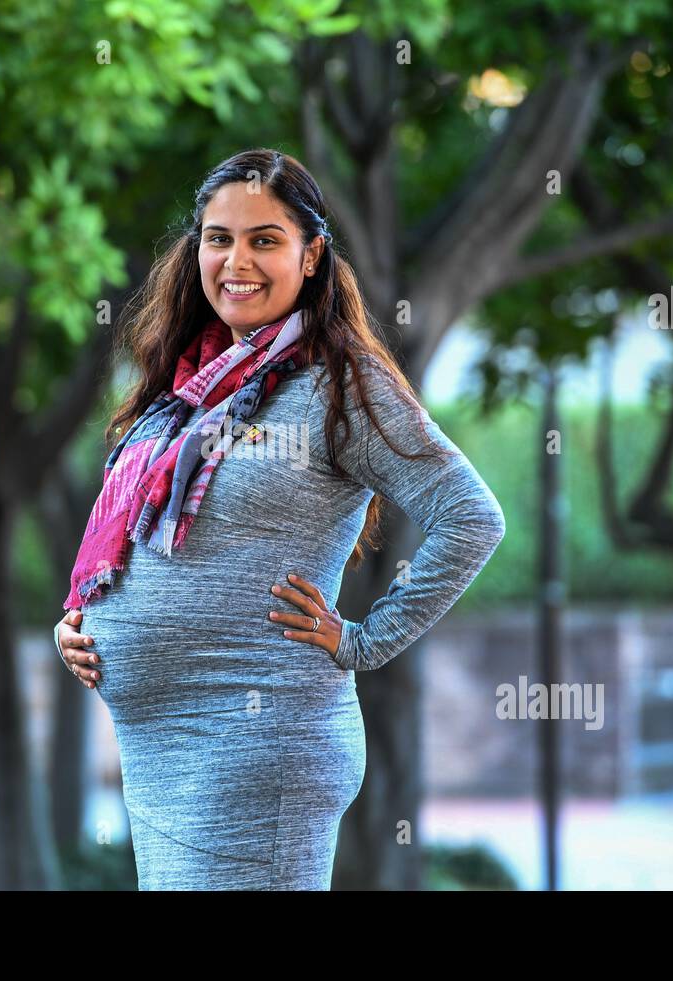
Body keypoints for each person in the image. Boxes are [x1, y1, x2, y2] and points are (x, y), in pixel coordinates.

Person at [53, 147, 505, 890]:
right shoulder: (187, 387)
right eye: (219, 237)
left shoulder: (341, 382)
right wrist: (80, 621)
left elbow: (471, 516)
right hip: (160, 747)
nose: (238, 259)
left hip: (260, 743)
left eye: (266, 239)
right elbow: (128, 538)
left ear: (311, 253)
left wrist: (363, 640)